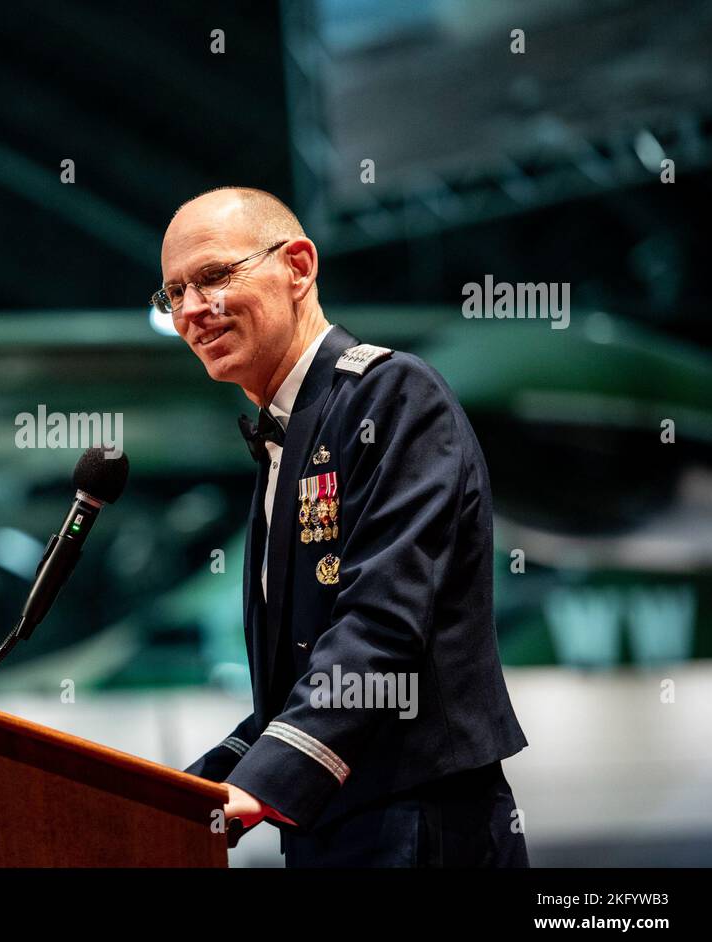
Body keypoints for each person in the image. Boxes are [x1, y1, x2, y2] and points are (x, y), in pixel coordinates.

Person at [161, 187, 529, 866]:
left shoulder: (394, 394)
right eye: (174, 292)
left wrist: (259, 782)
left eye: (213, 276)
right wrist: (176, 796)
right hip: (332, 825)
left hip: (420, 823)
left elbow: (381, 626)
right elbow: (298, 681)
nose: (190, 310)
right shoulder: (289, 435)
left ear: (299, 266)